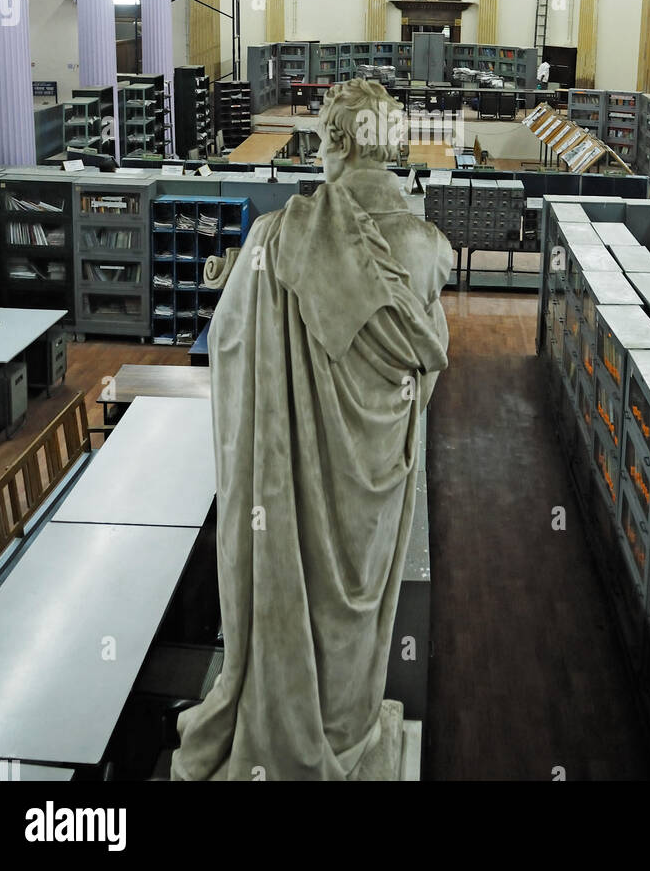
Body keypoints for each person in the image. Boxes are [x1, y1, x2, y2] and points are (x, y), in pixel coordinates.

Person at [171, 79, 451, 781]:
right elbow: (425, 373)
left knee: (299, 584)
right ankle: (349, 726)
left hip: (292, 483)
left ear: (336, 142)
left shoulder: (280, 237)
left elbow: (228, 342)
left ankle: (294, 727)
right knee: (356, 606)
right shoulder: (425, 248)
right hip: (380, 477)